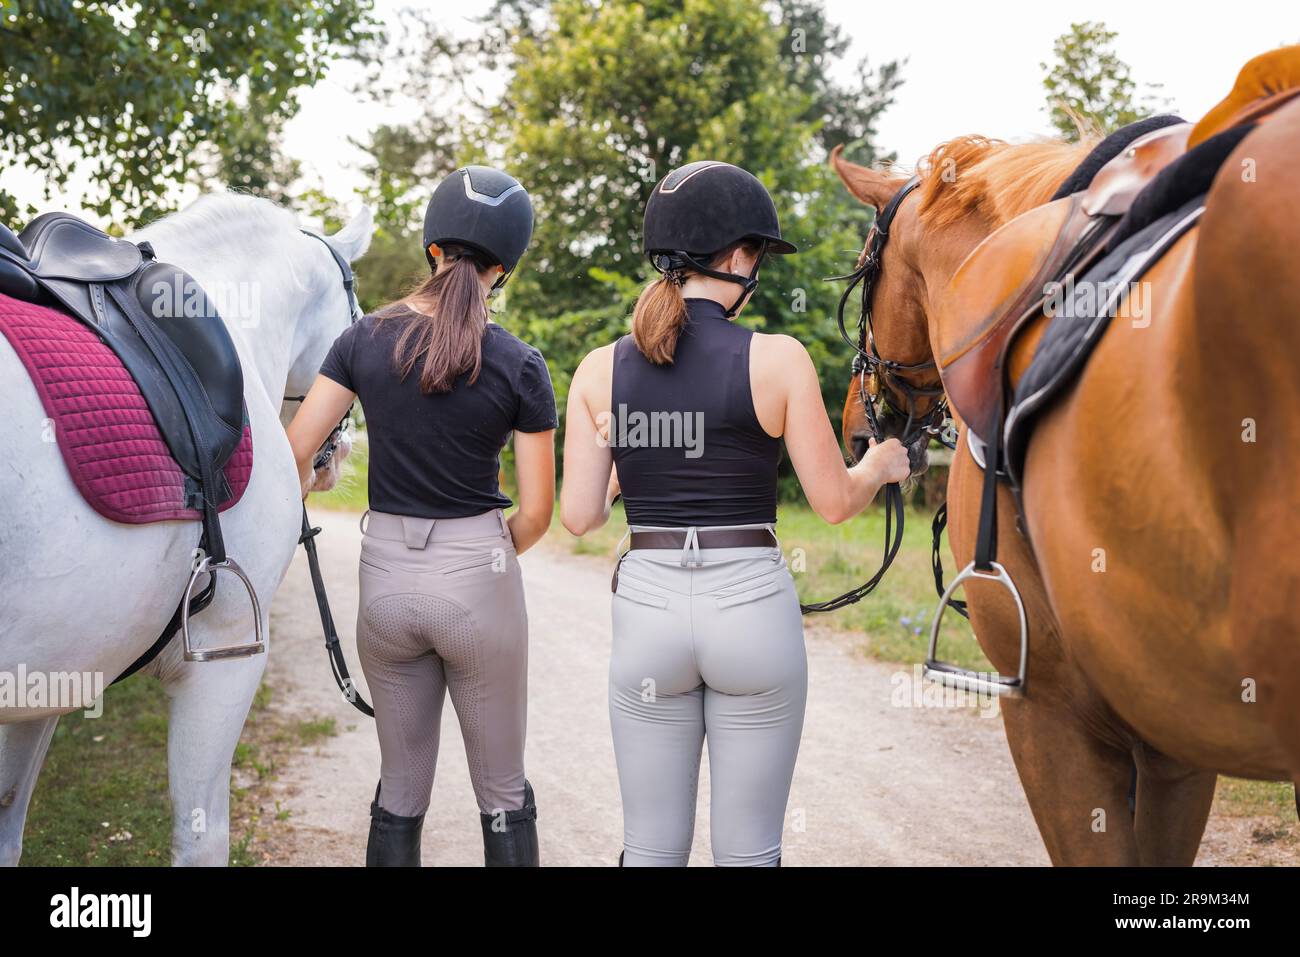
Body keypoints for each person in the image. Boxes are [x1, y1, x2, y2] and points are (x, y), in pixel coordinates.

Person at [560, 160, 911, 866]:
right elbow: (836, 503)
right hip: (751, 609)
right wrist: (881, 463)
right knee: (750, 851)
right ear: (737, 257)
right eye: (757, 256)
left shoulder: (600, 369)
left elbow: (577, 517)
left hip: (650, 611)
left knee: (650, 847)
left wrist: (637, 466)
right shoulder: (779, 359)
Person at [286, 166, 557, 867]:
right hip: (478, 578)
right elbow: (537, 510)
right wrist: (483, 558)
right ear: (503, 268)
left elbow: (294, 454)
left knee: (401, 789)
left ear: (432, 248)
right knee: (500, 788)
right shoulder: (520, 364)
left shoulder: (361, 339)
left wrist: (316, 479)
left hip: (384, 584)